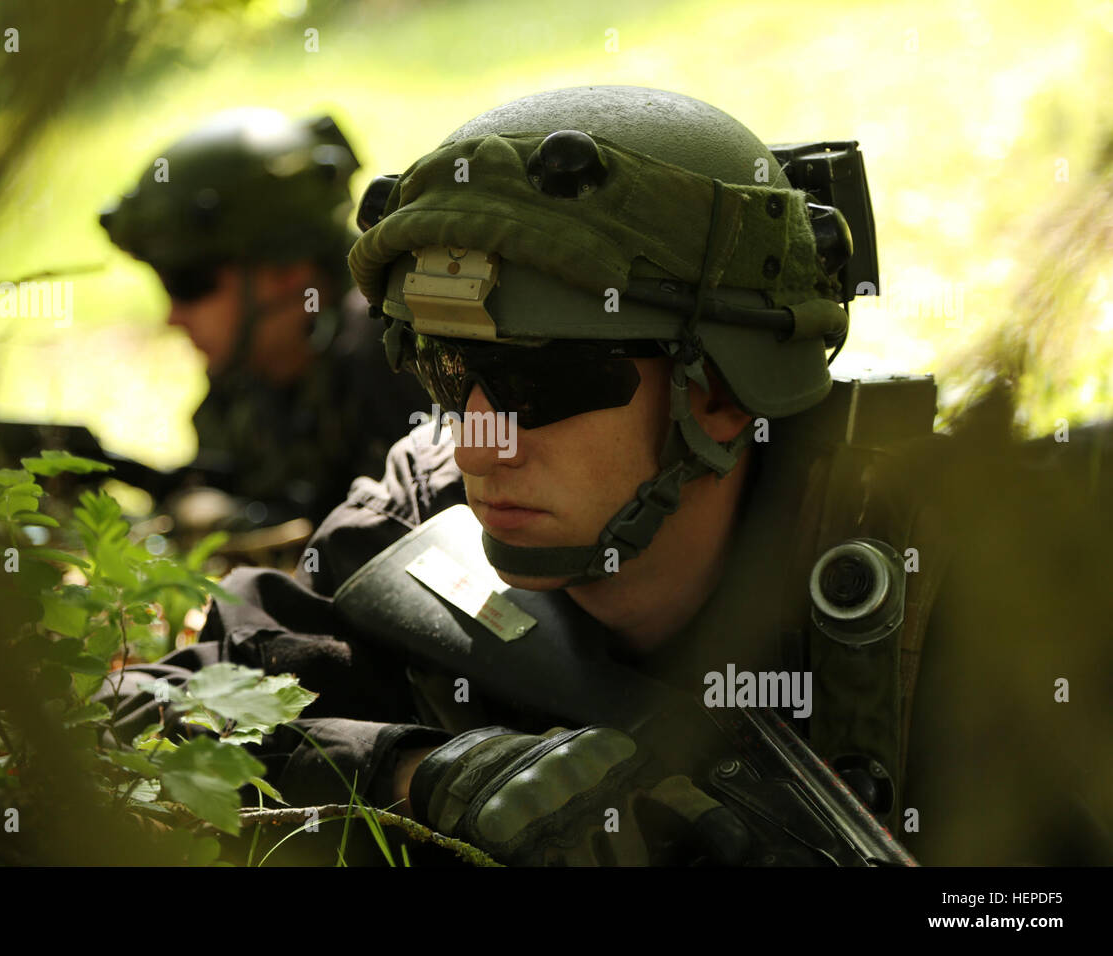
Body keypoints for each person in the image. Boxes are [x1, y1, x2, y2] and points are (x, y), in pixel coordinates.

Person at [102, 87, 1113, 866]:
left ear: (716, 391)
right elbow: (133, 727)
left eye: (540, 379)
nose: (479, 437)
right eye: (445, 373)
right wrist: (418, 774)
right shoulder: (416, 521)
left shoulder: (990, 561)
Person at [98, 108, 426, 532]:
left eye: (189, 283)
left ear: (287, 270)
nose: (174, 318)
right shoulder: (254, 363)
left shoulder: (391, 357)